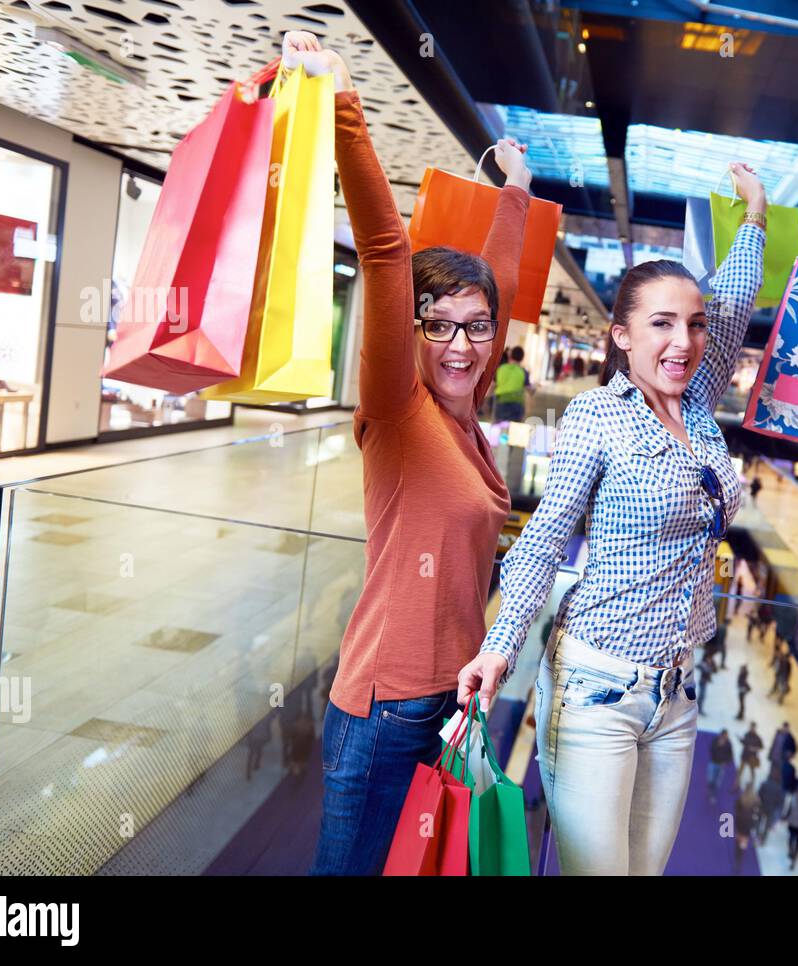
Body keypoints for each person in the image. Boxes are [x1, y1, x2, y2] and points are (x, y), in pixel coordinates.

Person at [458, 165, 768, 874]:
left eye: (692, 325)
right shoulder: (597, 415)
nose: (683, 341)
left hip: (679, 692)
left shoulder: (695, 403)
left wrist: (756, 211)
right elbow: (542, 540)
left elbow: (735, 297)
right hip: (597, 684)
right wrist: (501, 645)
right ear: (621, 336)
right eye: (660, 324)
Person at [284, 32, 533, 875]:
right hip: (387, 707)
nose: (461, 344)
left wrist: (517, 196)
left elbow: (490, 282)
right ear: (412, 330)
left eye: (476, 326)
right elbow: (388, 251)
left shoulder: (464, 410)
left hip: (447, 701)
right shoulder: (399, 407)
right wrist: (344, 101)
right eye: (438, 324)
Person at [494, 345, 530, 423]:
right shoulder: (523, 371)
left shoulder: (501, 369)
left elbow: (493, 385)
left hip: (501, 402)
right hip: (517, 404)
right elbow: (529, 389)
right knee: (514, 428)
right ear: (522, 358)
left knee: (500, 427)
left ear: (511, 355)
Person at [707, 729, 734, 801]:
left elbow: (730, 756)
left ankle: (713, 795)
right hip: (713, 763)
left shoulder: (728, 744)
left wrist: (726, 761)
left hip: (721, 765)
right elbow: (711, 750)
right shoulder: (716, 741)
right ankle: (710, 790)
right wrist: (719, 746)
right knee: (710, 779)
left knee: (717, 782)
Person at [736, 721, 764, 789]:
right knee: (740, 770)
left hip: (752, 757)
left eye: (753, 728)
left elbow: (761, 747)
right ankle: (737, 784)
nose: (752, 729)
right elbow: (744, 742)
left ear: (755, 728)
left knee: (752, 771)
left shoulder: (757, 738)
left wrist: (754, 749)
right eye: (751, 727)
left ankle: (752, 783)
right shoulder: (747, 734)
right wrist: (740, 739)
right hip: (744, 756)